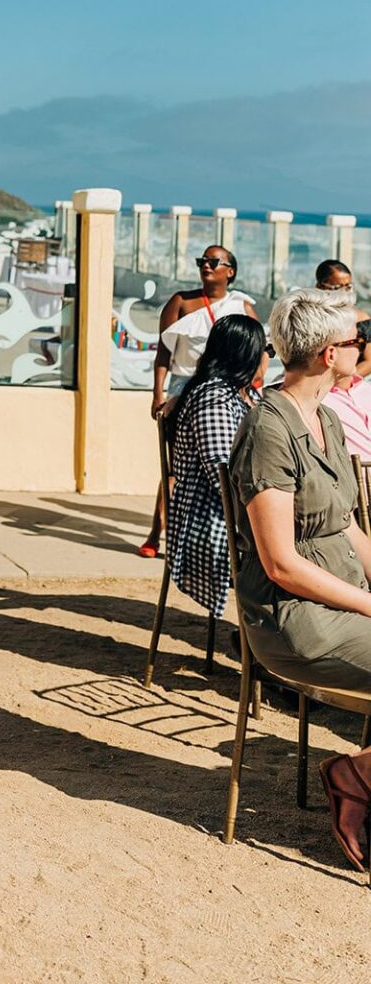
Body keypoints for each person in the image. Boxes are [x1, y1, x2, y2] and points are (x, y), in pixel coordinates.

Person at [229, 290, 371, 869]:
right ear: (328, 352)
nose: (363, 349)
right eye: (357, 342)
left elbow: (346, 530)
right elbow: (281, 563)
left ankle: (360, 775)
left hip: (344, 601)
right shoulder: (270, 429)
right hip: (295, 619)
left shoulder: (327, 418)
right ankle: (353, 774)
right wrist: (369, 604)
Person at [140, 246, 259, 557]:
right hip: (184, 385)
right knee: (174, 465)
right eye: (202, 261)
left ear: (230, 270)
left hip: (226, 387)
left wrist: (249, 390)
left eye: (213, 262)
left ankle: (208, 538)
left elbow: (255, 350)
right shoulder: (181, 301)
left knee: (224, 464)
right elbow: (163, 351)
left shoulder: (242, 305)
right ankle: (157, 531)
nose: (206, 266)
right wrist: (159, 393)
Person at [167, 314, 268, 620]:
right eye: (267, 350)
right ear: (246, 354)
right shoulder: (214, 398)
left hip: (232, 510)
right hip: (211, 519)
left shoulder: (241, 394)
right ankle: (262, 639)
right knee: (292, 549)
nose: (268, 359)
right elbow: (222, 475)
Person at [328, 319, 371, 458]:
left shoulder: (365, 390)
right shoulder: (318, 401)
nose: (359, 350)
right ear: (330, 353)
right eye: (356, 343)